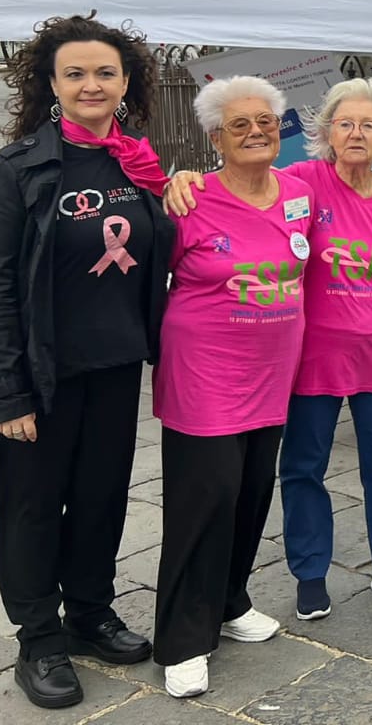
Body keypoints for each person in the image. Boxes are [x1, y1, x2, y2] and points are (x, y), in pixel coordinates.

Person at [0, 14, 174, 710]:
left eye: (104, 72)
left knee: (104, 497)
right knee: (30, 508)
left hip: (112, 365)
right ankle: (39, 638)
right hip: (37, 375)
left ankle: (89, 610)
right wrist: (6, 393)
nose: (91, 84)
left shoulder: (137, 163)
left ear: (126, 81)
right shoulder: (17, 170)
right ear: (50, 83)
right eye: (75, 72)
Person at [165, 79, 372, 620]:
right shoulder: (299, 184)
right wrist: (185, 177)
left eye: (369, 125)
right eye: (345, 123)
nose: (357, 133)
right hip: (310, 355)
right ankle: (310, 571)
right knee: (304, 466)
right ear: (326, 133)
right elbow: (240, 186)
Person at [152, 76, 309, 699]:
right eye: (239, 125)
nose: (255, 132)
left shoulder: (298, 192)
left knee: (250, 492)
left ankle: (229, 599)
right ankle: (182, 640)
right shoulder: (188, 200)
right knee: (204, 500)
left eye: (265, 121)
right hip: (204, 375)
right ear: (215, 138)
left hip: (272, 375)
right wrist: (173, 179)